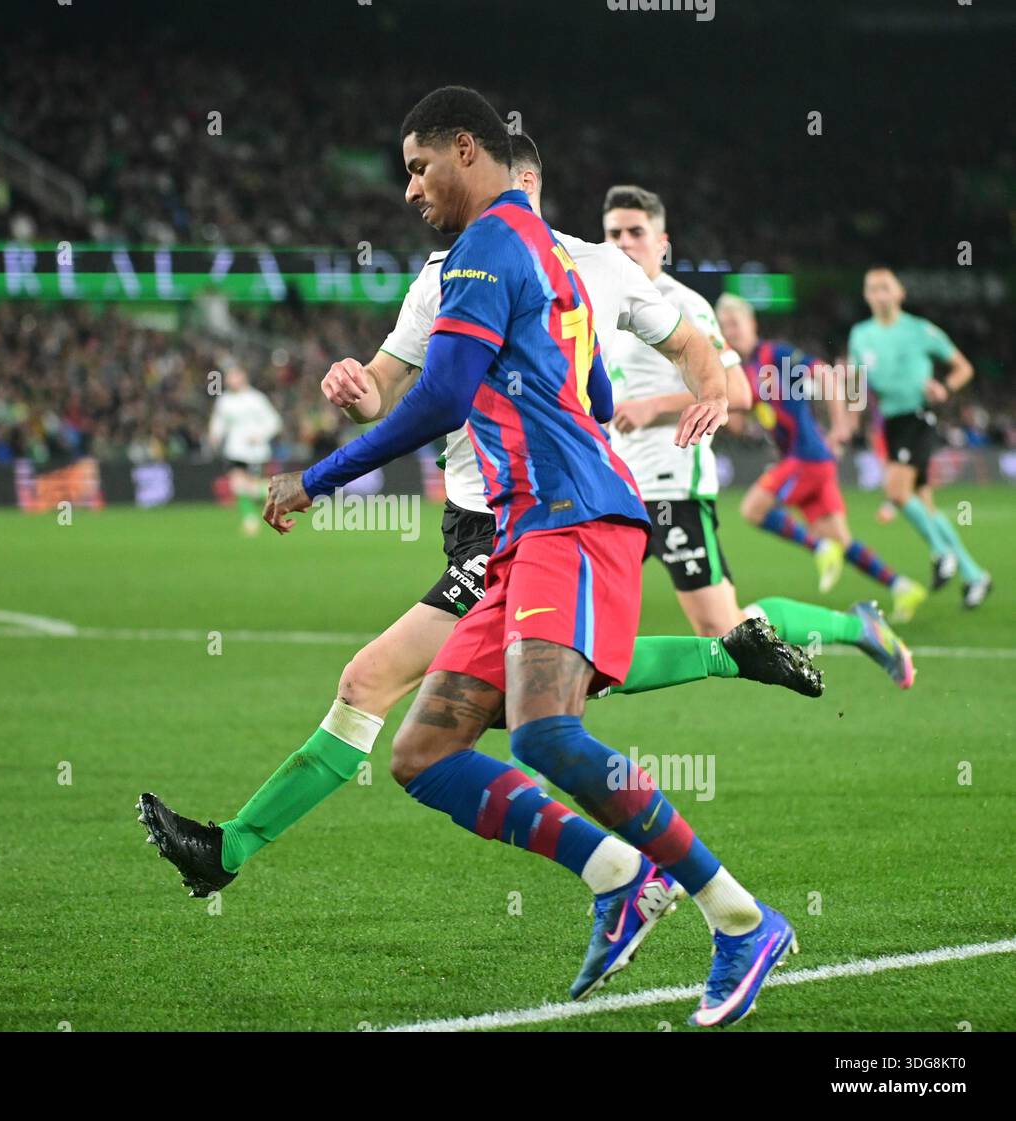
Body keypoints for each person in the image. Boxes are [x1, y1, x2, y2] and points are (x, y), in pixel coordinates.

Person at [136, 135, 820, 1003]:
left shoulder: (504, 251)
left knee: (507, 717)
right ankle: (625, 863)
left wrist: (317, 478)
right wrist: (373, 388)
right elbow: (587, 394)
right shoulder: (526, 266)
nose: (413, 188)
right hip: (517, 523)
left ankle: (738, 916)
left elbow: (454, 396)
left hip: (553, 515)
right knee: (429, 748)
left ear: (487, 164)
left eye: (422, 168)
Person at [601, 185, 915, 687]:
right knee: (578, 632)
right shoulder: (601, 305)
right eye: (613, 232)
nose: (623, 242)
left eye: (636, 232)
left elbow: (739, 390)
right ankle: (544, 737)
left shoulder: (683, 306)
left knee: (726, 630)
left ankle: (857, 627)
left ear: (662, 242)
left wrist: (653, 407)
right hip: (614, 490)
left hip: (670, 487)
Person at [715, 292, 926, 621]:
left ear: (751, 323)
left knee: (753, 508)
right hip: (807, 460)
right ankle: (902, 586)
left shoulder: (775, 354)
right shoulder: (741, 370)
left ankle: (818, 548)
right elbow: (742, 422)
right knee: (842, 540)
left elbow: (825, 374)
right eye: (724, 325)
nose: (730, 330)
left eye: (735, 322)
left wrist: (842, 424)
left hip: (807, 456)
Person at [847, 267, 991, 608]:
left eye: (885, 287)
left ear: (900, 293)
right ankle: (974, 575)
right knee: (925, 507)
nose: (879, 293)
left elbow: (963, 367)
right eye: (872, 288)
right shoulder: (860, 334)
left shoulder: (920, 330)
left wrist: (945, 388)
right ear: (866, 297)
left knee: (896, 492)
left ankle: (942, 554)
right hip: (892, 424)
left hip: (918, 417)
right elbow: (855, 384)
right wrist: (850, 424)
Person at [208, 365, 282, 536]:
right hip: (234, 450)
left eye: (235, 376)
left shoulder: (256, 399)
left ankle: (282, 496)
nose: (231, 380)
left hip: (256, 451)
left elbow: (274, 421)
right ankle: (250, 520)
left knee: (252, 486)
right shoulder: (224, 400)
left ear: (243, 377)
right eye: (230, 376)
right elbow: (219, 422)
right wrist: (215, 435)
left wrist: (260, 435)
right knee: (237, 485)